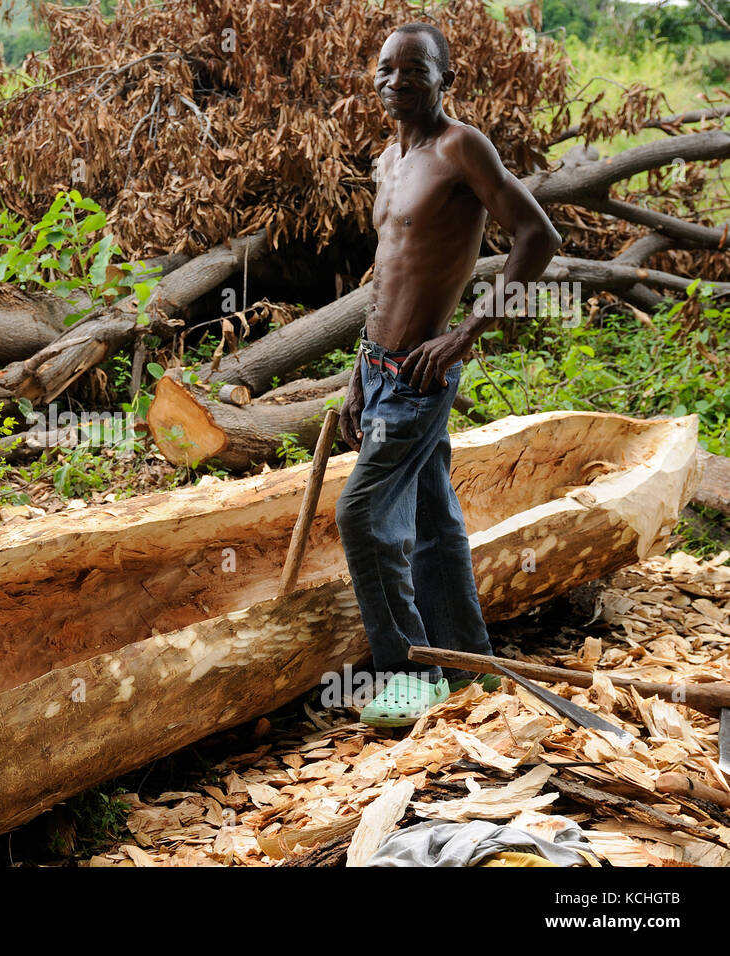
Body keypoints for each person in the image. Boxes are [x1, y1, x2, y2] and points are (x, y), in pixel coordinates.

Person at [334, 22, 562, 727]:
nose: (397, 80)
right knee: (432, 520)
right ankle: (468, 664)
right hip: (378, 370)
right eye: (386, 69)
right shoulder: (386, 161)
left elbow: (540, 237)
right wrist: (355, 372)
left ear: (445, 79)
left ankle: (410, 672)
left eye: (415, 69)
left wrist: (469, 333)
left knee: (362, 516)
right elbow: (387, 274)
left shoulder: (461, 147)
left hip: (421, 374)